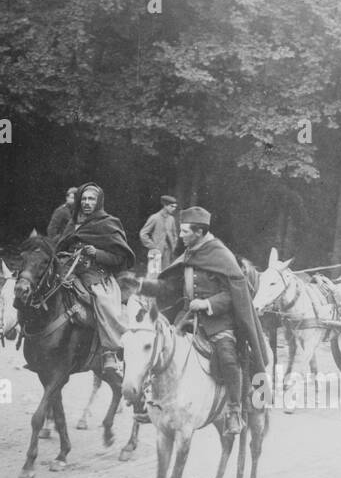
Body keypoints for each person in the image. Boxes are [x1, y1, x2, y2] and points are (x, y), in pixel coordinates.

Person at [129, 207, 267, 435]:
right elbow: (170, 286)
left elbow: (232, 294)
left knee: (228, 356)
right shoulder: (190, 253)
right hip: (186, 318)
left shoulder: (221, 255)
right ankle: (149, 403)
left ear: (199, 232)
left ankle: (234, 410)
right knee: (159, 347)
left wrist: (207, 304)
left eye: (184, 231)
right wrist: (142, 285)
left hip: (218, 321)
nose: (180, 235)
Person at [54, 182, 136, 376]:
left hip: (96, 275)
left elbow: (120, 258)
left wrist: (96, 253)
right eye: (83, 199)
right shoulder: (73, 222)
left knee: (103, 303)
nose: (87, 203)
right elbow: (60, 246)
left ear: (99, 201)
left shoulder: (109, 223)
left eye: (91, 199)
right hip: (68, 271)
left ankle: (110, 352)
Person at [139, 195, 178, 278]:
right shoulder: (155, 218)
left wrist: (173, 246)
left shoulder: (171, 219)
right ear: (165, 205)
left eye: (175, 207)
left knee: (166, 275)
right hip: (156, 253)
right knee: (153, 276)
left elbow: (175, 235)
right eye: (171, 206)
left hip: (168, 253)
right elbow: (143, 234)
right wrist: (153, 246)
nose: (174, 209)